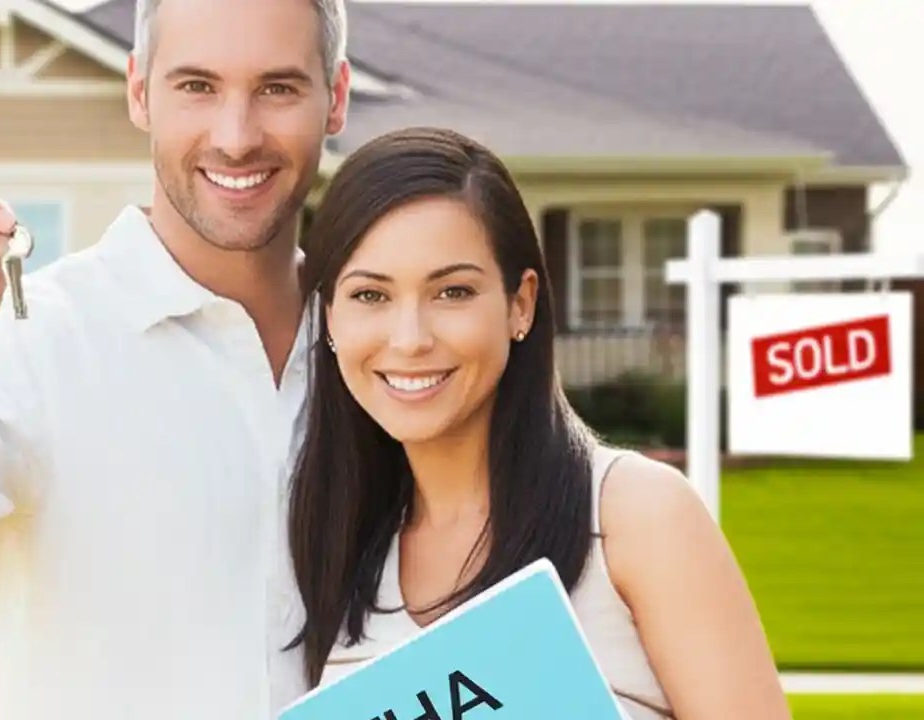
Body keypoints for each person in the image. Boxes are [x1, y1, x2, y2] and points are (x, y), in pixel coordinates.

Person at [0, 0, 350, 717]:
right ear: (139, 92)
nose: (236, 137)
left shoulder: (382, 352)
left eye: (277, 88)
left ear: (336, 97)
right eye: (197, 86)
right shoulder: (27, 339)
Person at [285, 127, 792, 719]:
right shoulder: (329, 548)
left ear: (520, 304)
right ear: (328, 317)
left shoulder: (636, 515)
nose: (410, 339)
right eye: (371, 296)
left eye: (452, 292)